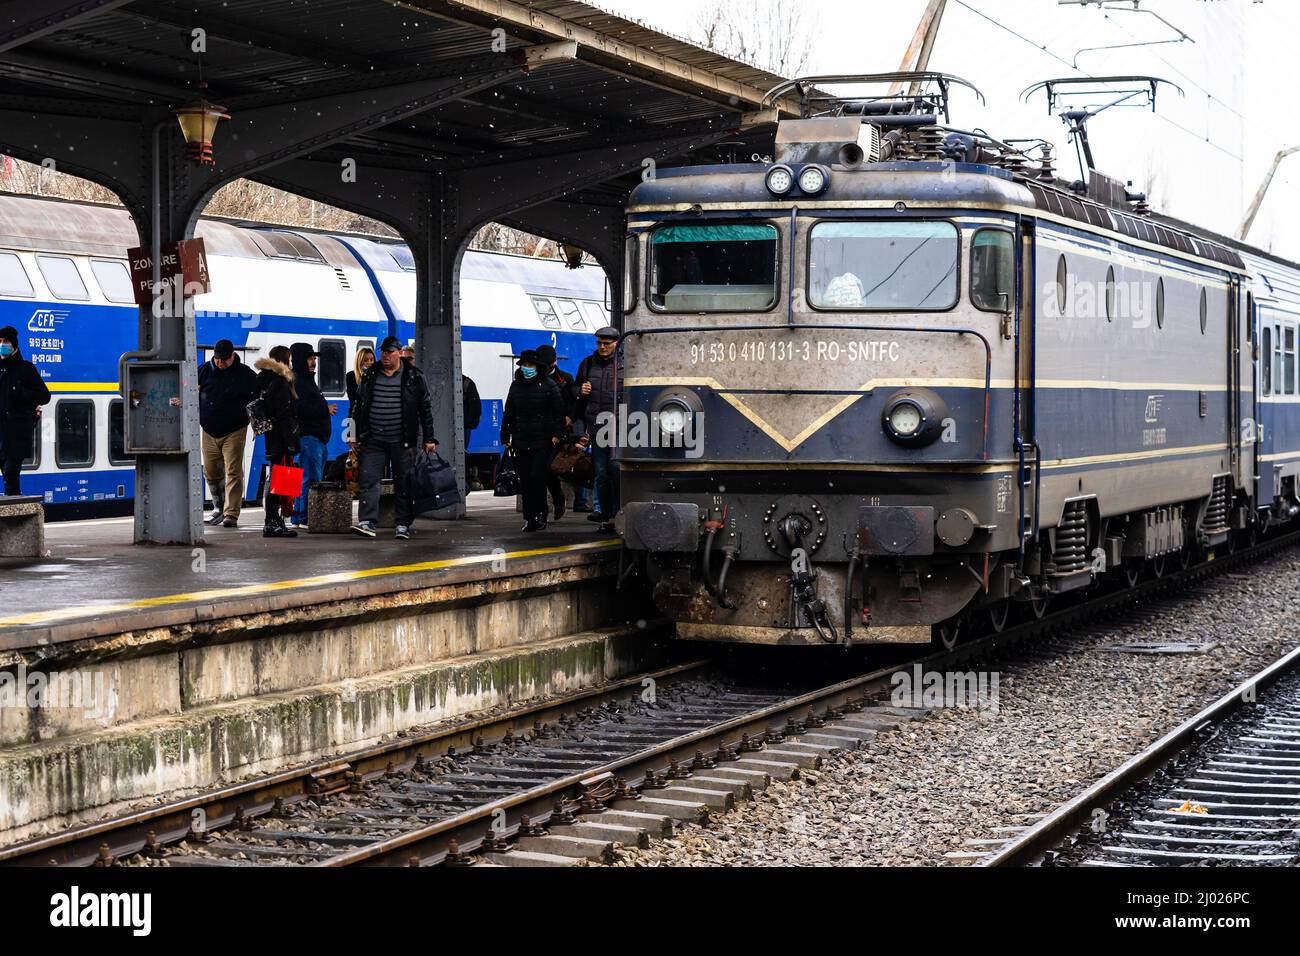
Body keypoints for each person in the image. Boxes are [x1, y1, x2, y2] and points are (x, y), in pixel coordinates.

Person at [350, 335, 437, 540]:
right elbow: (358, 405)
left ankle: (402, 524)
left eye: (390, 352)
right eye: (383, 352)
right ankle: (367, 522)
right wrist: (353, 434)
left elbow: (425, 409)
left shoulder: (414, 376)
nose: (385, 355)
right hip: (373, 439)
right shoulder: (371, 374)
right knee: (369, 480)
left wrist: (429, 438)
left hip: (403, 440)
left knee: (404, 482)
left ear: (399, 353)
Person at [500, 349, 564, 532]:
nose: (527, 368)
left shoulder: (549, 386)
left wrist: (557, 435)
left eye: (531, 365)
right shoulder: (516, 386)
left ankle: (540, 514)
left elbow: (558, 412)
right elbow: (509, 411)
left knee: (538, 477)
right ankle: (529, 517)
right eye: (525, 365)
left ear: (538, 367)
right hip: (521, 439)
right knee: (526, 481)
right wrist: (505, 435)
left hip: (543, 440)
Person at [198, 339, 257, 527]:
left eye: (224, 359)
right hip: (208, 429)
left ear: (233, 356)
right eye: (217, 359)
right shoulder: (204, 370)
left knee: (233, 471)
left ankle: (231, 513)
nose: (220, 363)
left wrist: (255, 423)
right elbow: (189, 390)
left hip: (235, 429)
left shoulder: (246, 375)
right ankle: (218, 506)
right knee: (210, 471)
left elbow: (256, 400)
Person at [574, 326, 621, 531]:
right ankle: (607, 516)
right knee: (601, 474)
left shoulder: (625, 365)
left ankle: (620, 512)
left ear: (616, 344)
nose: (602, 347)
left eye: (607, 344)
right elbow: (574, 391)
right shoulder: (587, 364)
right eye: (599, 343)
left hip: (622, 427)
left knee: (616, 469)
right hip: (598, 427)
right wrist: (579, 390)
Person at [253, 344, 300, 538]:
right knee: (280, 482)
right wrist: (291, 440)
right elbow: (282, 414)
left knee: (278, 480)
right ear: (284, 361)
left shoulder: (264, 379)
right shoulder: (280, 382)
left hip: (273, 438)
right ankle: (273, 521)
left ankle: (276, 520)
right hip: (282, 439)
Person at [289, 342, 336, 529]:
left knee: (304, 479)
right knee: (310, 479)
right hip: (309, 439)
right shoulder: (300, 382)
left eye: (314, 358)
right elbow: (298, 408)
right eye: (310, 358)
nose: (314, 362)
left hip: (313, 439)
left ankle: (300, 516)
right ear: (301, 359)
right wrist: (324, 408)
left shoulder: (306, 381)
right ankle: (305, 516)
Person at [0, 325, 50, 496]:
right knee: (7, 477)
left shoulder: (26, 370)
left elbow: (45, 396)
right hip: (1, 434)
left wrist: (23, 395)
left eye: (5, 341)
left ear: (14, 345)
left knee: (10, 474)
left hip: (18, 433)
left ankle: (15, 516)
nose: (2, 345)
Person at [534, 344, 575, 520]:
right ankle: (542, 509)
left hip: (558, 431)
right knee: (538, 471)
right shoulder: (533, 380)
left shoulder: (565, 379)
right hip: (538, 430)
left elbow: (573, 403)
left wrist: (569, 417)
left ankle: (557, 499)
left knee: (548, 469)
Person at [462, 373, 481, 495]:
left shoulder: (466, 383)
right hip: (464, 427)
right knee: (462, 454)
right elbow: (476, 407)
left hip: (464, 426)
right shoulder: (467, 383)